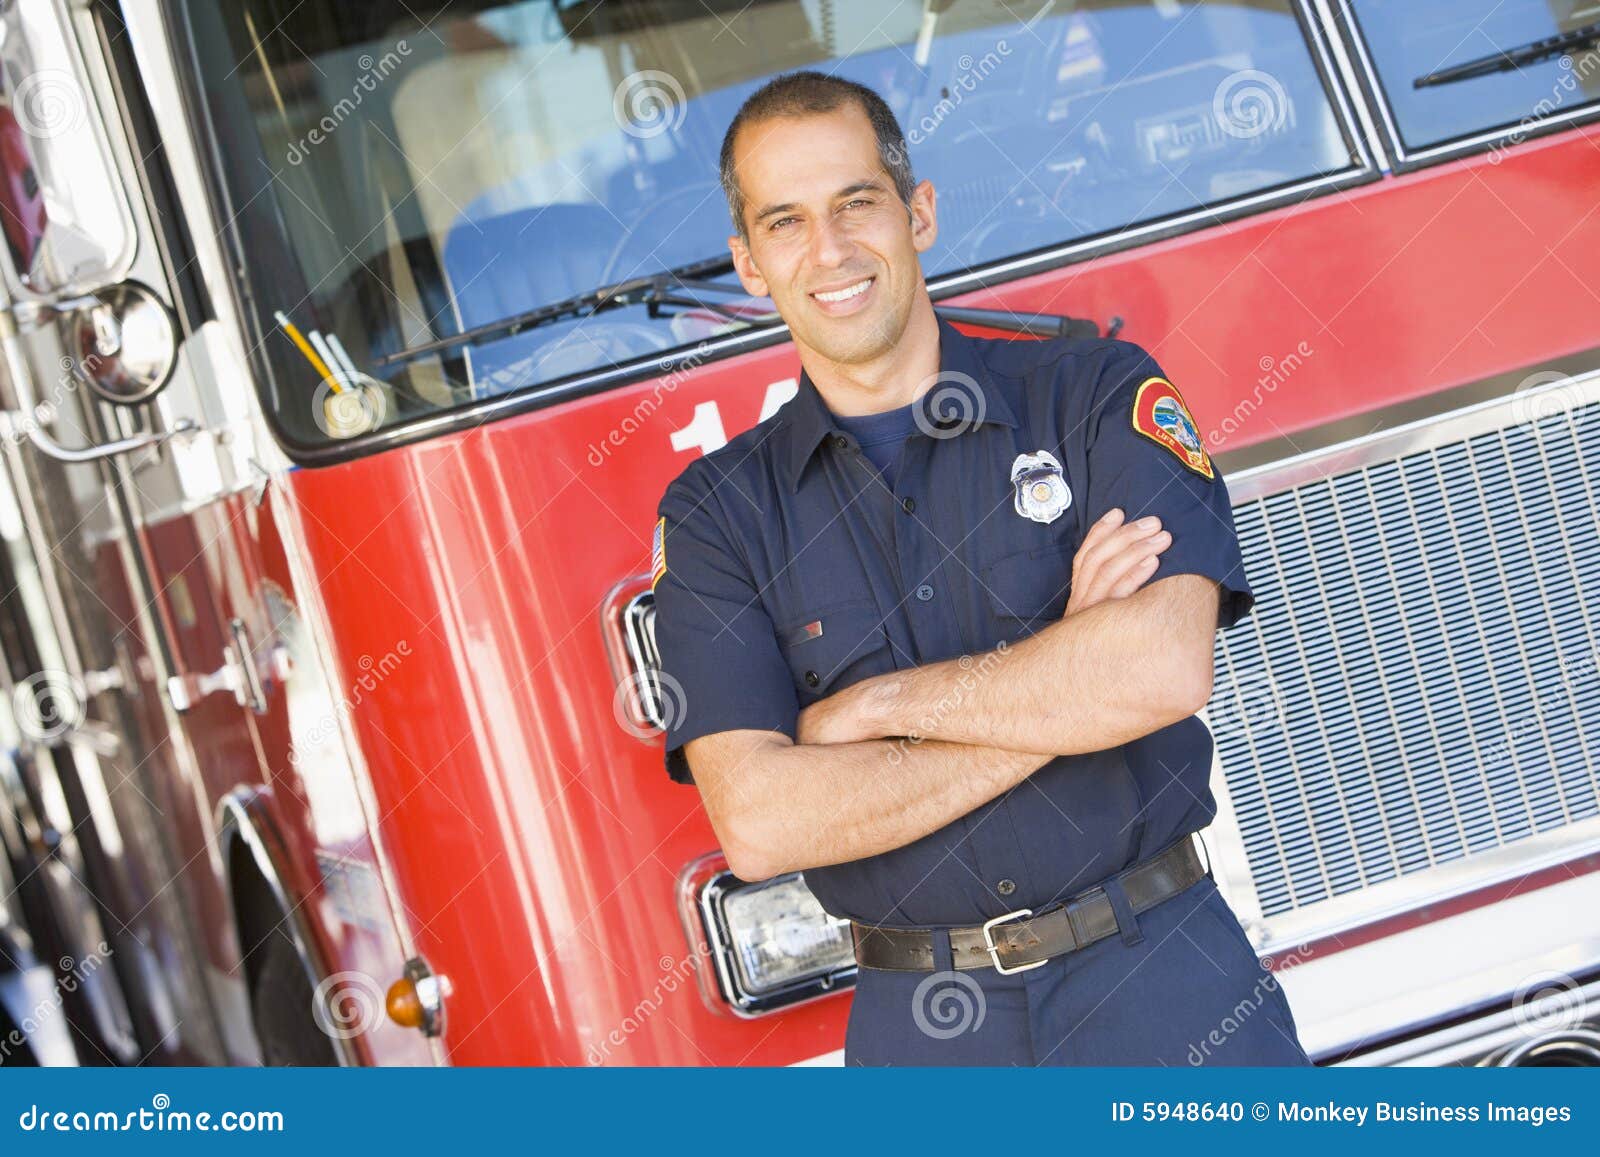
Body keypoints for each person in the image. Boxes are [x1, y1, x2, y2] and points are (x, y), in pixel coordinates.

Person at [651, 70, 1310, 1066]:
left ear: (917, 212)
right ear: (749, 263)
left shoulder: (1092, 393)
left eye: (855, 202)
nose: (828, 251)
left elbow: (1159, 672)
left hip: (1166, 988)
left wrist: (871, 713)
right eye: (785, 222)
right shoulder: (717, 514)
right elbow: (761, 820)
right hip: (922, 1031)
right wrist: (1064, 678)